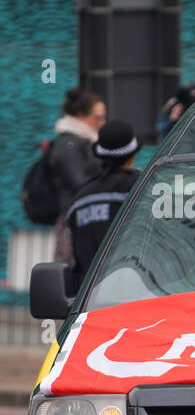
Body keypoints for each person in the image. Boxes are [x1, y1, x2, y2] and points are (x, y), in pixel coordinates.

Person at [68, 119, 140, 290]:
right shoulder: (141, 190)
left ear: (100, 157)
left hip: (89, 300)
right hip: (134, 296)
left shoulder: (80, 198)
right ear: (132, 155)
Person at [49, 89, 106, 265]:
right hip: (73, 221)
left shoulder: (86, 143)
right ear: (81, 115)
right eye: (98, 118)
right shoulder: (69, 145)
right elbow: (79, 183)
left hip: (84, 218)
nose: (103, 123)